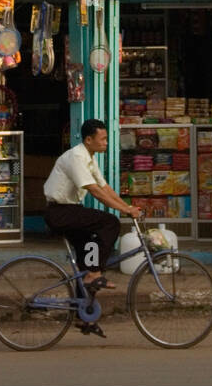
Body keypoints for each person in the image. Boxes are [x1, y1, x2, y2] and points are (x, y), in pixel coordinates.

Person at [43, 119, 141, 290]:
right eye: (102, 139)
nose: (106, 143)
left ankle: (85, 300)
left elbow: (104, 187)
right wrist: (124, 209)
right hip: (59, 212)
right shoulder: (76, 157)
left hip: (70, 210)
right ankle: (95, 274)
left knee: (90, 245)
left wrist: (128, 207)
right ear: (89, 140)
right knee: (110, 223)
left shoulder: (89, 157)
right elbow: (95, 191)